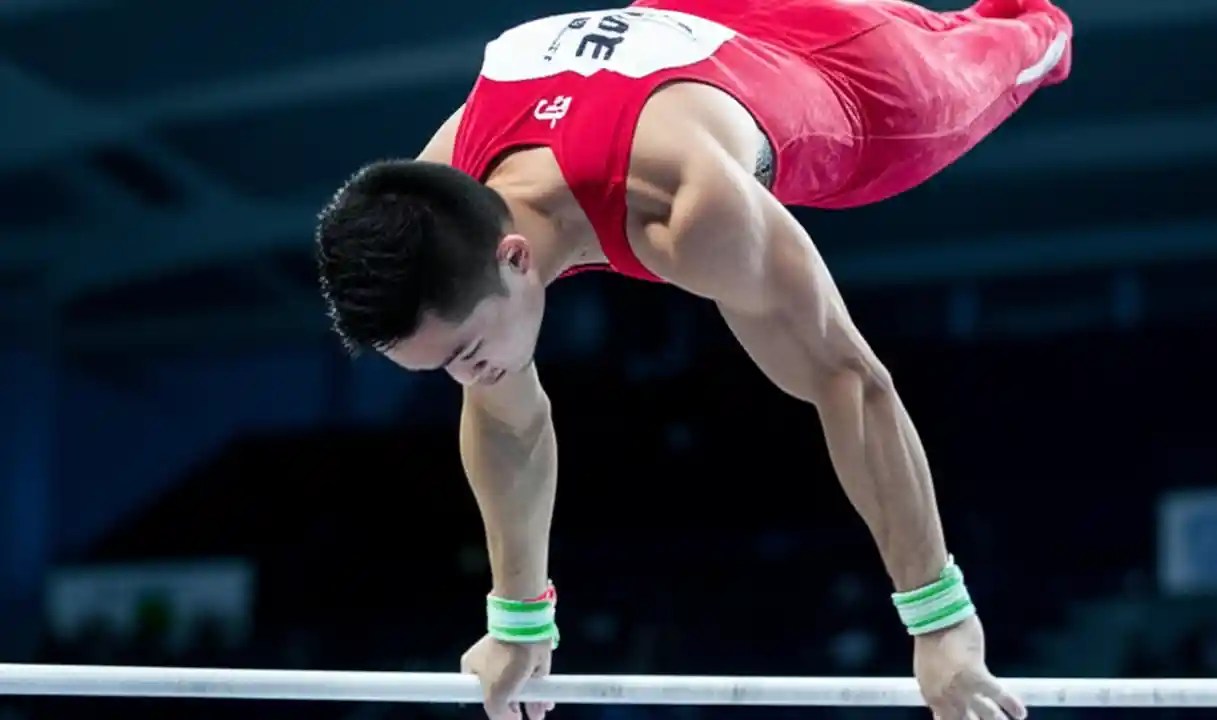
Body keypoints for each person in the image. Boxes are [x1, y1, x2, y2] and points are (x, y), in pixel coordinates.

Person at [315, 0, 1072, 717]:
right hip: (682, 39)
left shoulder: (689, 210)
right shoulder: (436, 204)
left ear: (515, 257)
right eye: (443, 365)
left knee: (1017, 36)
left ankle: (1038, 34)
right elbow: (510, 424)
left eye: (469, 353)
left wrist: (939, 623)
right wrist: (516, 618)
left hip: (844, 84)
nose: (466, 378)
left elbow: (849, 382)